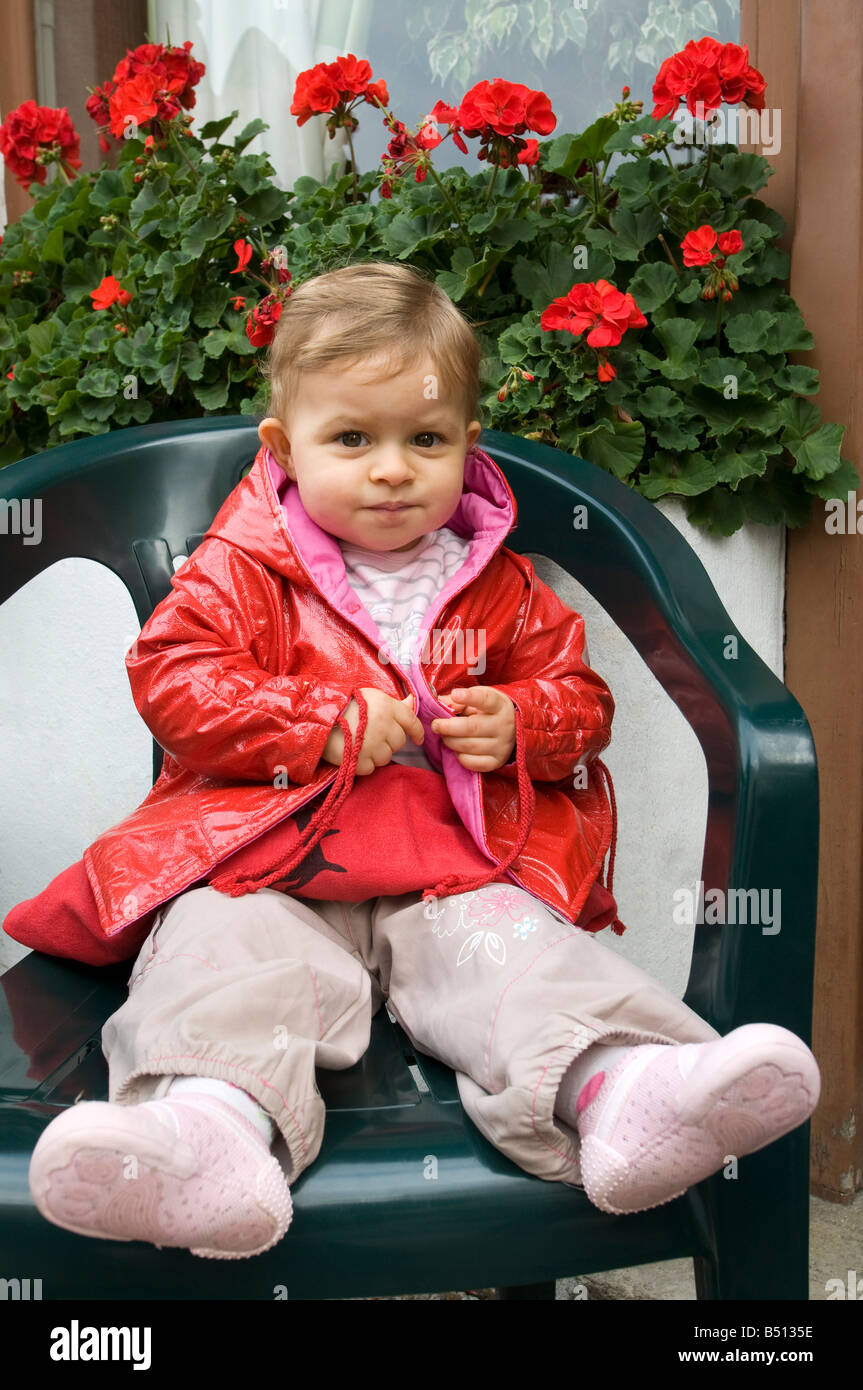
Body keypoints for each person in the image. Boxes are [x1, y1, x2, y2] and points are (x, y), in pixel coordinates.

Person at [16, 261, 820, 1263]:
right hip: (266, 856)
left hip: (447, 869)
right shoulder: (237, 566)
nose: (392, 468)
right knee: (227, 960)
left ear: (466, 447)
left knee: (513, 959)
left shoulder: (502, 583)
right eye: (352, 438)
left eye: (425, 440)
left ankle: (625, 1090)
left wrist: (523, 723)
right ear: (284, 449)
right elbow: (174, 679)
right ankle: (206, 1133)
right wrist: (311, 719)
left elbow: (582, 697)